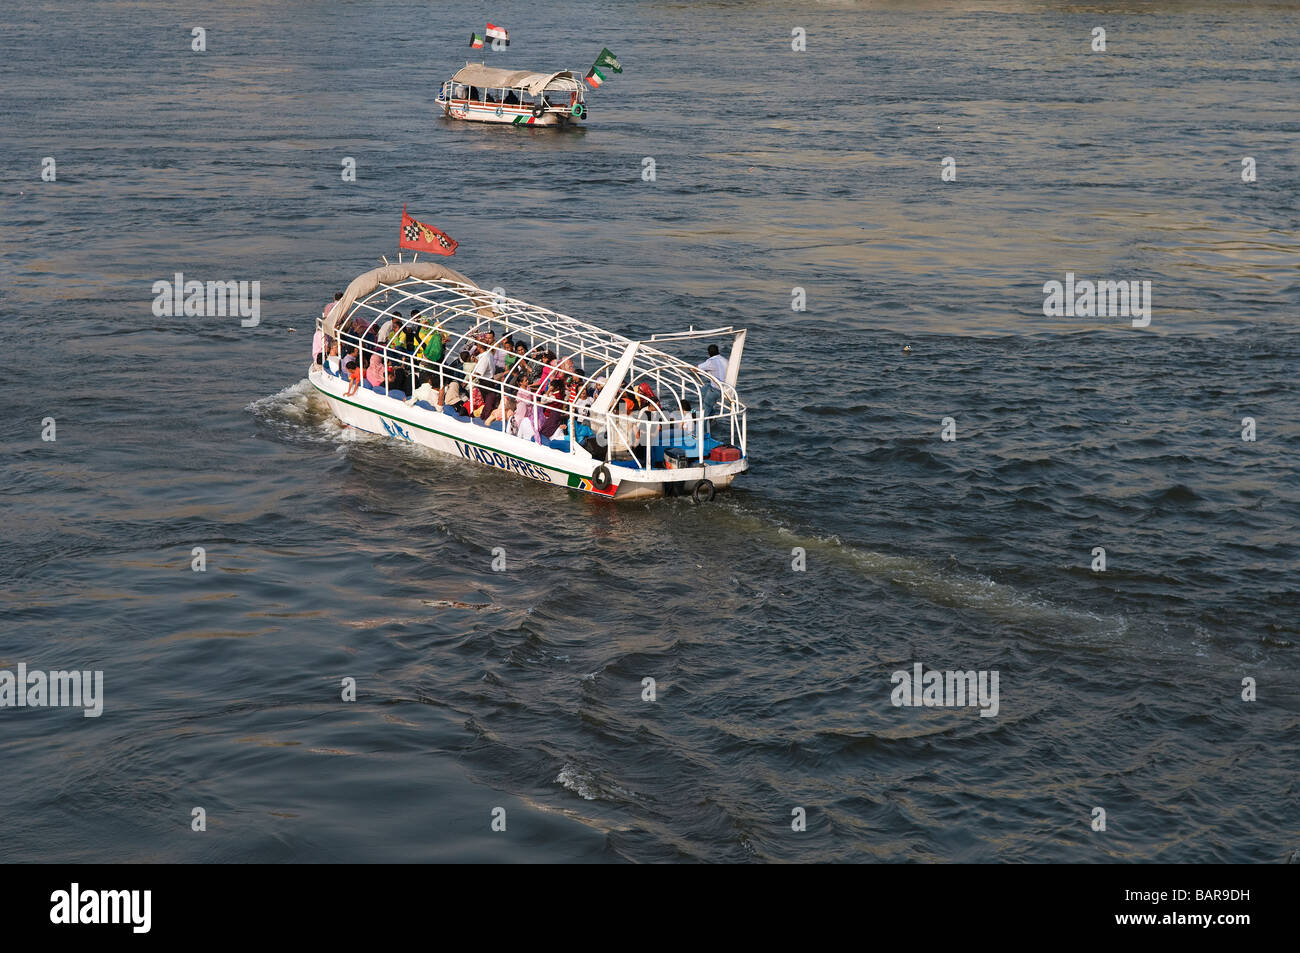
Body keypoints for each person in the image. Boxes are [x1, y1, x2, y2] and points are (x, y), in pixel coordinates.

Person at [697, 344, 727, 433]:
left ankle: (703, 432)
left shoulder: (711, 361)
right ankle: (711, 413)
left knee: (704, 412)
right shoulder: (725, 360)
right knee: (704, 389)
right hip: (724, 388)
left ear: (709, 353)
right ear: (718, 351)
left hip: (716, 389)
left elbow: (697, 368)